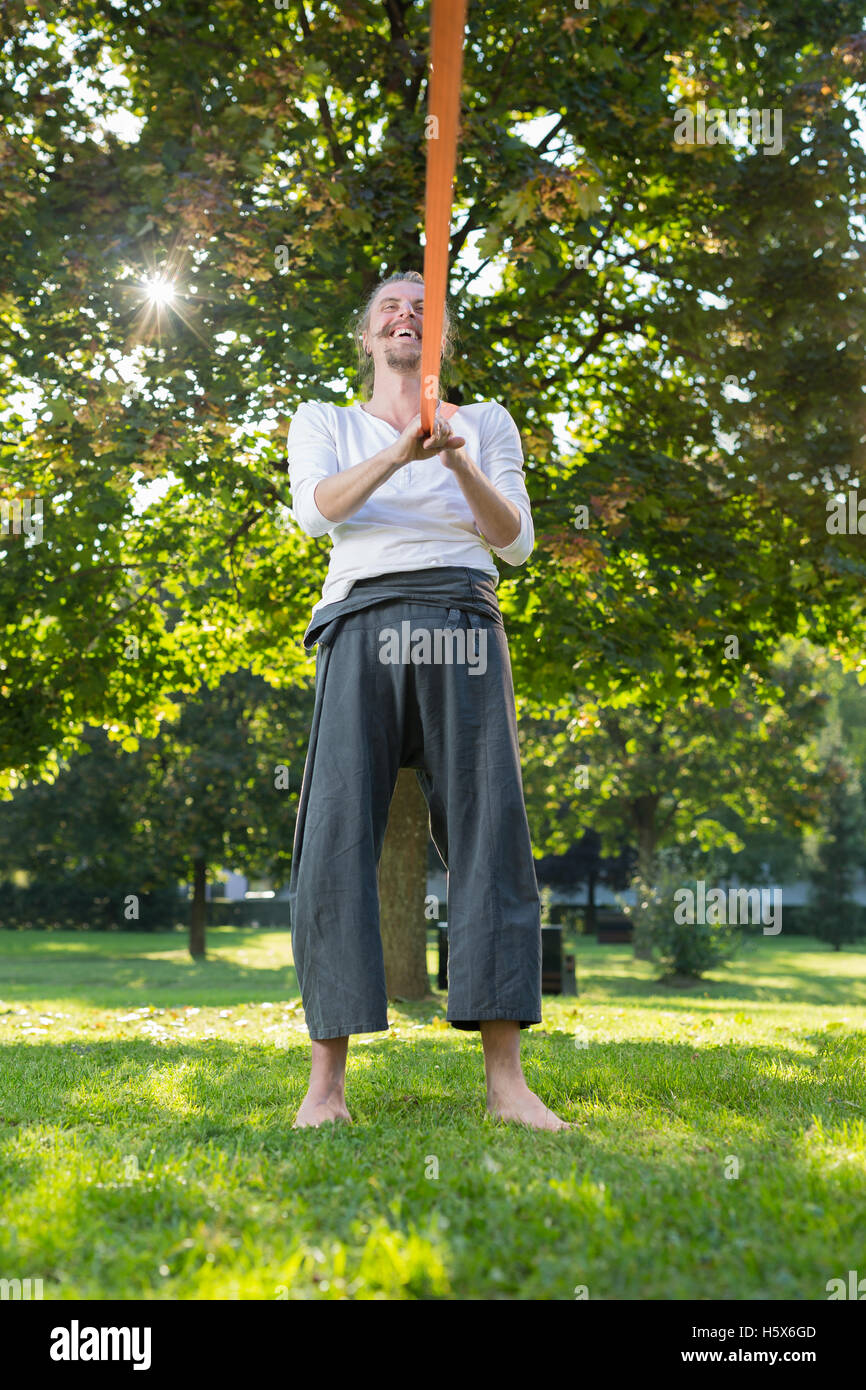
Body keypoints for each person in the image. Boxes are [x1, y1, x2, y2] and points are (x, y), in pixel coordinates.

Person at [285, 270, 574, 1131]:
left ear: (439, 338)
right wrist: (397, 451)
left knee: (491, 835)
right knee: (334, 837)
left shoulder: (484, 424)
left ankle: (507, 1084)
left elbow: (515, 542)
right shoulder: (324, 422)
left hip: (462, 616)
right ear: (368, 338)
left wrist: (452, 455)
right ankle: (325, 1089)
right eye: (389, 309)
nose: (406, 316)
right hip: (361, 621)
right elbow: (317, 513)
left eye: (422, 308)